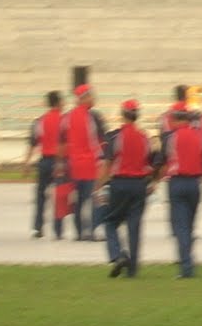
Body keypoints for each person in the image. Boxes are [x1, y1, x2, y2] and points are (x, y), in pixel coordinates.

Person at [101, 99, 160, 278]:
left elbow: (108, 163)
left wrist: (101, 185)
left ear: (122, 114)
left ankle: (118, 255)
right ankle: (133, 270)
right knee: (134, 226)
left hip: (119, 183)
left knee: (111, 222)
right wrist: (152, 181)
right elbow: (154, 161)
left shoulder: (115, 137)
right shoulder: (145, 138)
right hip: (139, 184)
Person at [160, 102, 202, 277]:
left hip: (177, 182)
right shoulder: (201, 137)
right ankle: (188, 259)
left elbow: (162, 163)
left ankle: (186, 266)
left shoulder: (170, 138)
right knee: (189, 225)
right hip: (195, 183)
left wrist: (153, 181)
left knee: (180, 226)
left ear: (173, 119)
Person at [62, 85, 106, 240]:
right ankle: (92, 230)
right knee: (95, 199)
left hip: (74, 165)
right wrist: (102, 160)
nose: (93, 99)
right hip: (89, 165)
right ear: (84, 98)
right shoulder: (91, 117)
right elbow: (95, 142)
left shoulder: (67, 117)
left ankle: (80, 232)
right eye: (91, 96)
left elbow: (63, 141)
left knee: (78, 201)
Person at [23, 90, 67, 239]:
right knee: (59, 197)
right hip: (59, 162)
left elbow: (32, 142)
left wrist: (27, 162)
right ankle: (58, 230)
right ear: (58, 102)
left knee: (41, 195)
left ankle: (38, 226)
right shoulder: (64, 120)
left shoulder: (40, 121)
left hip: (44, 161)